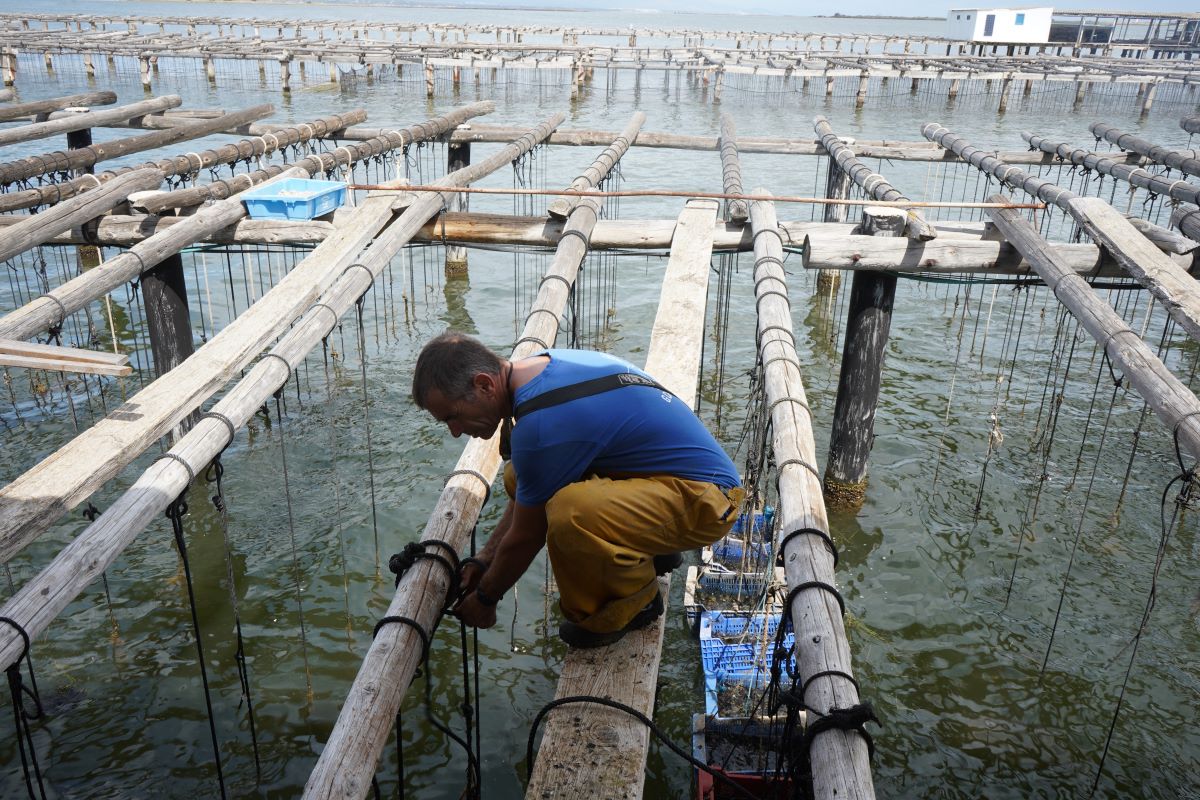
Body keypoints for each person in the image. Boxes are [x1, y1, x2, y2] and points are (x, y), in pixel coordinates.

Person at [412, 331, 744, 648]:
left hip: (709, 501)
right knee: (521, 478)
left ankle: (633, 602)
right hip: (674, 481)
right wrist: (485, 559)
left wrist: (485, 598)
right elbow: (531, 489)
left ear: (484, 385)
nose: (455, 431)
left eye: (452, 417)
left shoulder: (540, 424)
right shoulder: (540, 368)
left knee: (571, 514)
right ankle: (651, 550)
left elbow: (528, 535)